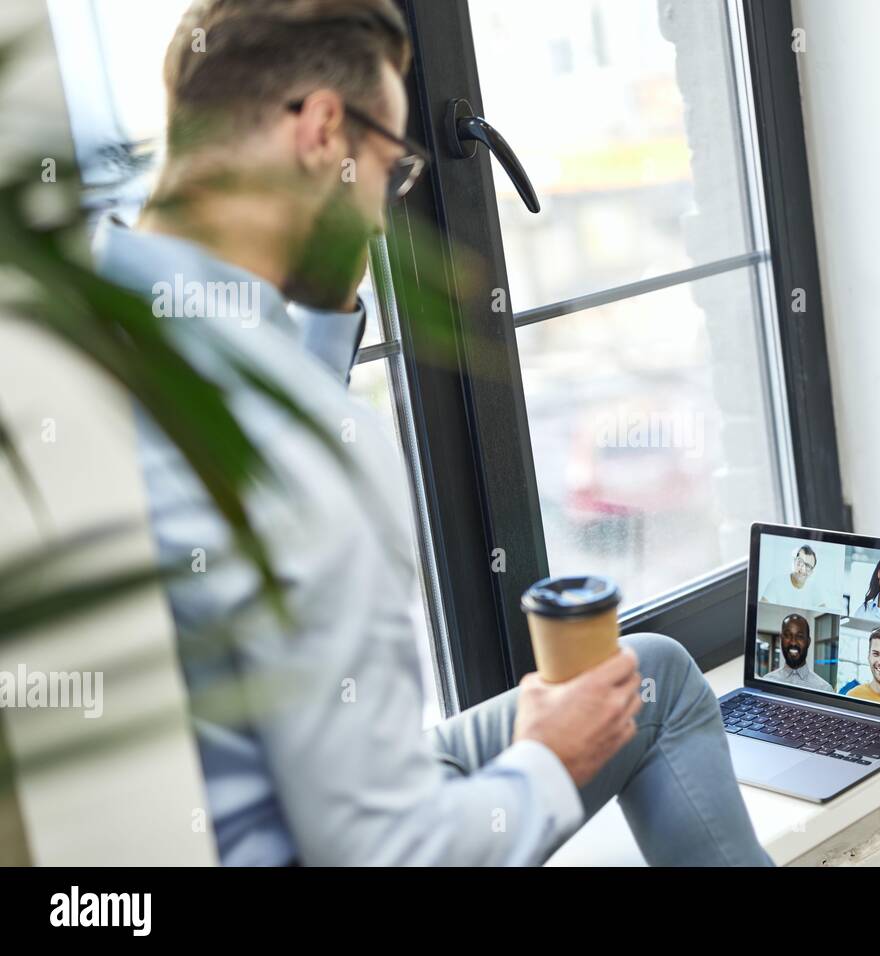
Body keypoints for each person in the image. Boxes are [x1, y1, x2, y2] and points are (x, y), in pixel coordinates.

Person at [99, 0, 768, 866]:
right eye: (390, 168)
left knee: (654, 674)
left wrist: (320, 282)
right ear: (321, 128)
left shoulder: (73, 328)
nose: (380, 217)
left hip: (284, 789)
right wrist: (548, 761)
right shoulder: (310, 450)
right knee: (628, 694)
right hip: (347, 832)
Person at [762, 614, 834, 693]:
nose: (793, 642)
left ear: (808, 642)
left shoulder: (824, 689)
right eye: (788, 635)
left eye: (800, 636)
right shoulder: (767, 682)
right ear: (781, 639)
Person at [760, 544, 830, 610]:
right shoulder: (776, 583)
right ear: (794, 561)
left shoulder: (814, 589)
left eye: (808, 566)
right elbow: (761, 609)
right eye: (800, 562)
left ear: (811, 572)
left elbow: (826, 614)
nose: (802, 569)